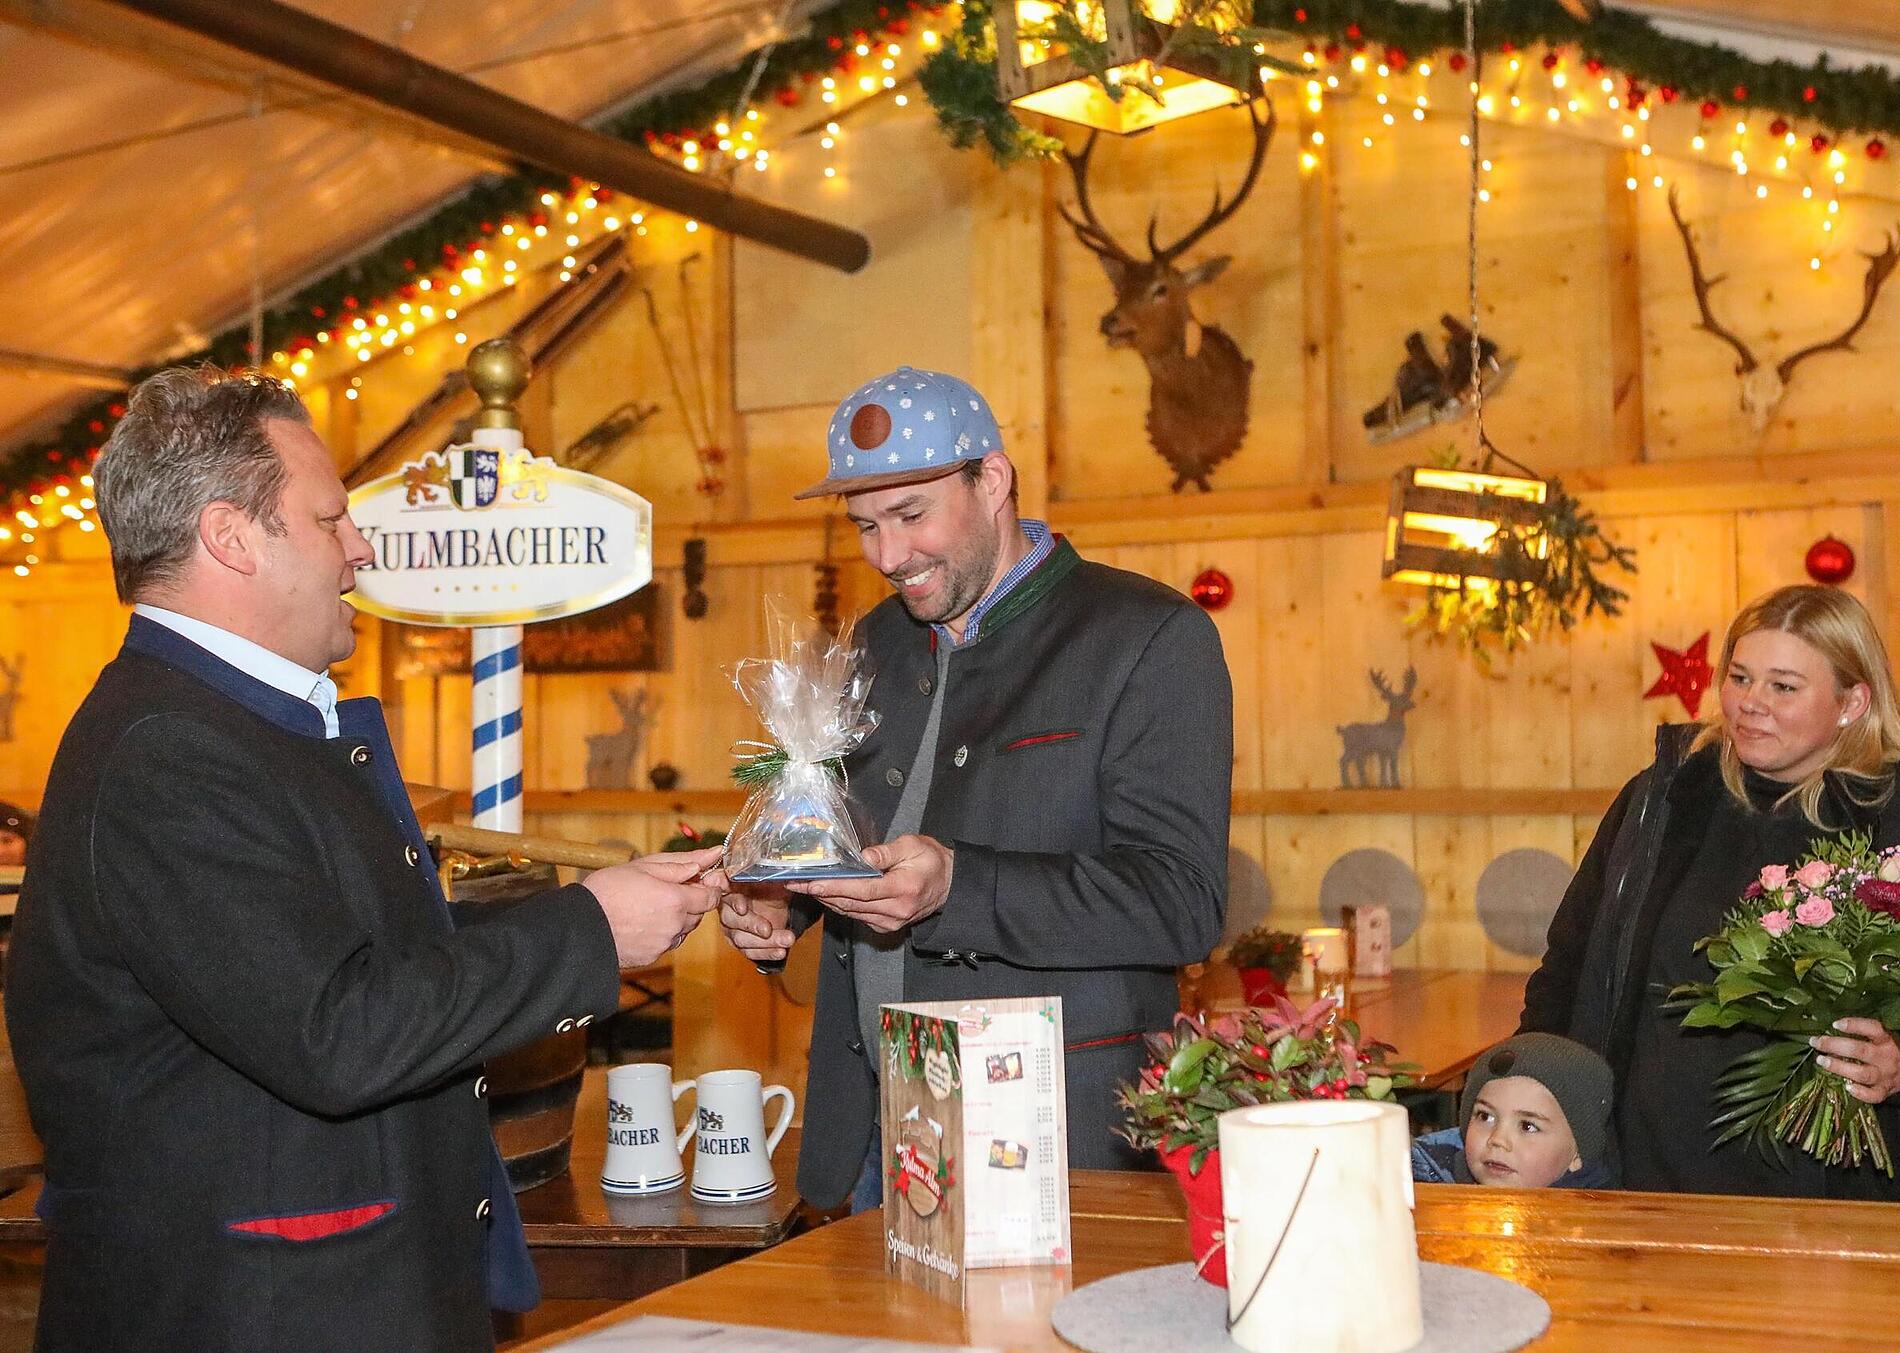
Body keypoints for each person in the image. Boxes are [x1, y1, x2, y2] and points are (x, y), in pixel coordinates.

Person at [4, 367, 725, 1352]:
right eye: (330, 518)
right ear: (230, 537)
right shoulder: (165, 753)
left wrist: (614, 905)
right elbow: (336, 1030)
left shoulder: (231, 726)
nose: (360, 547)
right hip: (250, 1312)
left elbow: (372, 953)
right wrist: (590, 931)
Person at [719, 365, 1232, 1212]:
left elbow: (1181, 900)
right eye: (864, 526)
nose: (887, 556)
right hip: (873, 1138)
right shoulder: (875, 641)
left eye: (911, 516)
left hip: (1050, 1146)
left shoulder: (1149, 637)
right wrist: (783, 903)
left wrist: (961, 884)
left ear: (991, 479)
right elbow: (854, 839)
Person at [1520, 583, 1900, 1347]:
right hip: (1664, 1182)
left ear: (1852, 701)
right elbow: (1570, 963)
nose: (1749, 703)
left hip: (1867, 1199)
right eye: (1739, 676)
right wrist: (1538, 1094)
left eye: (1784, 685)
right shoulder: (1664, 800)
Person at [1409, 1032, 1614, 1188]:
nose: (1498, 1139)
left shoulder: (1599, 1228)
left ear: (1577, 1154)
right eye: (1485, 1116)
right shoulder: (1427, 1183)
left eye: (1527, 1126)